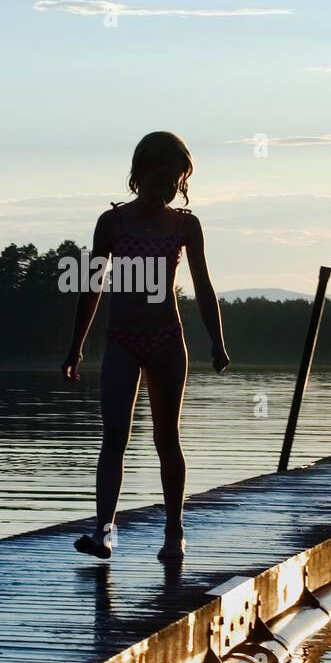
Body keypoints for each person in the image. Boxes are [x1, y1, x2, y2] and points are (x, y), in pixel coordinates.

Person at [61, 131, 229, 561]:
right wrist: (75, 346)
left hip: (166, 341)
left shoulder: (186, 226)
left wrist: (217, 342)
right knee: (113, 437)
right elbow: (92, 287)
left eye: (173, 183)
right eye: (158, 181)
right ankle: (103, 533)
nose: (165, 190)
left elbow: (204, 287)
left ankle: (174, 533)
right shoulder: (112, 223)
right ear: (139, 175)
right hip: (121, 339)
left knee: (165, 438)